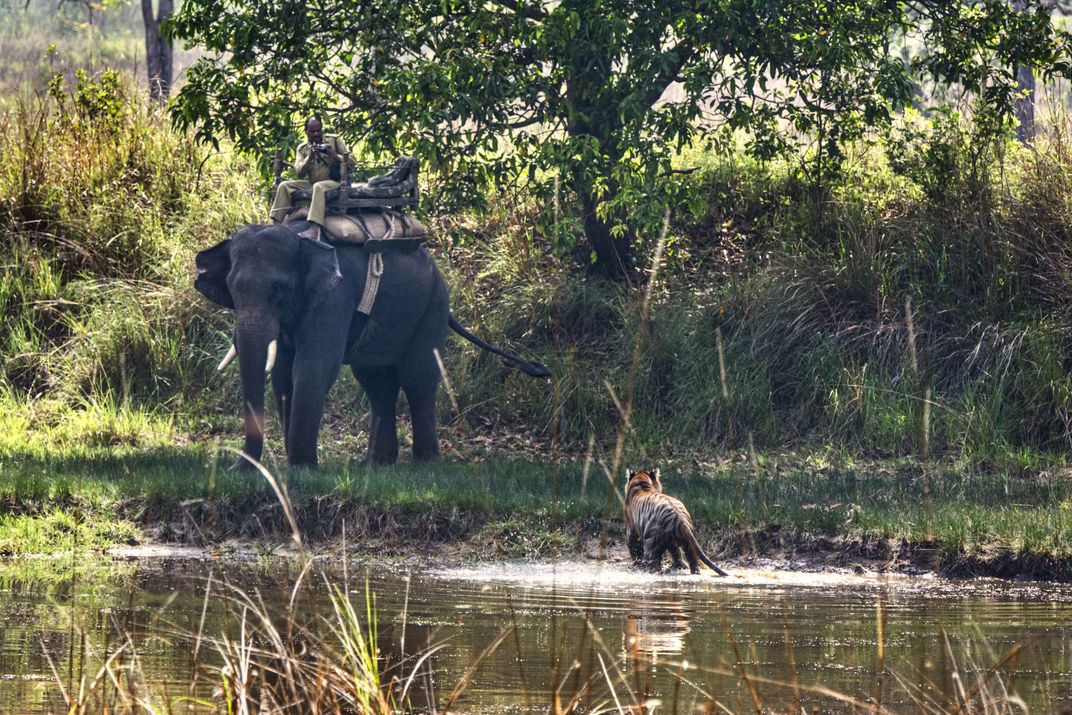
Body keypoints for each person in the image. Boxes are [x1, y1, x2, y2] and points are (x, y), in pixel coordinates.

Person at [269, 115, 350, 239]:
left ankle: (314, 227)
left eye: (318, 130)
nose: (316, 134)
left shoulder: (334, 141)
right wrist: (309, 157)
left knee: (319, 186)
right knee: (285, 185)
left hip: (335, 183)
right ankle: (276, 222)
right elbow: (299, 172)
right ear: (306, 132)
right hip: (313, 183)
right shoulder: (302, 149)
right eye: (312, 131)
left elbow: (353, 161)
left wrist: (334, 155)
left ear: (322, 129)